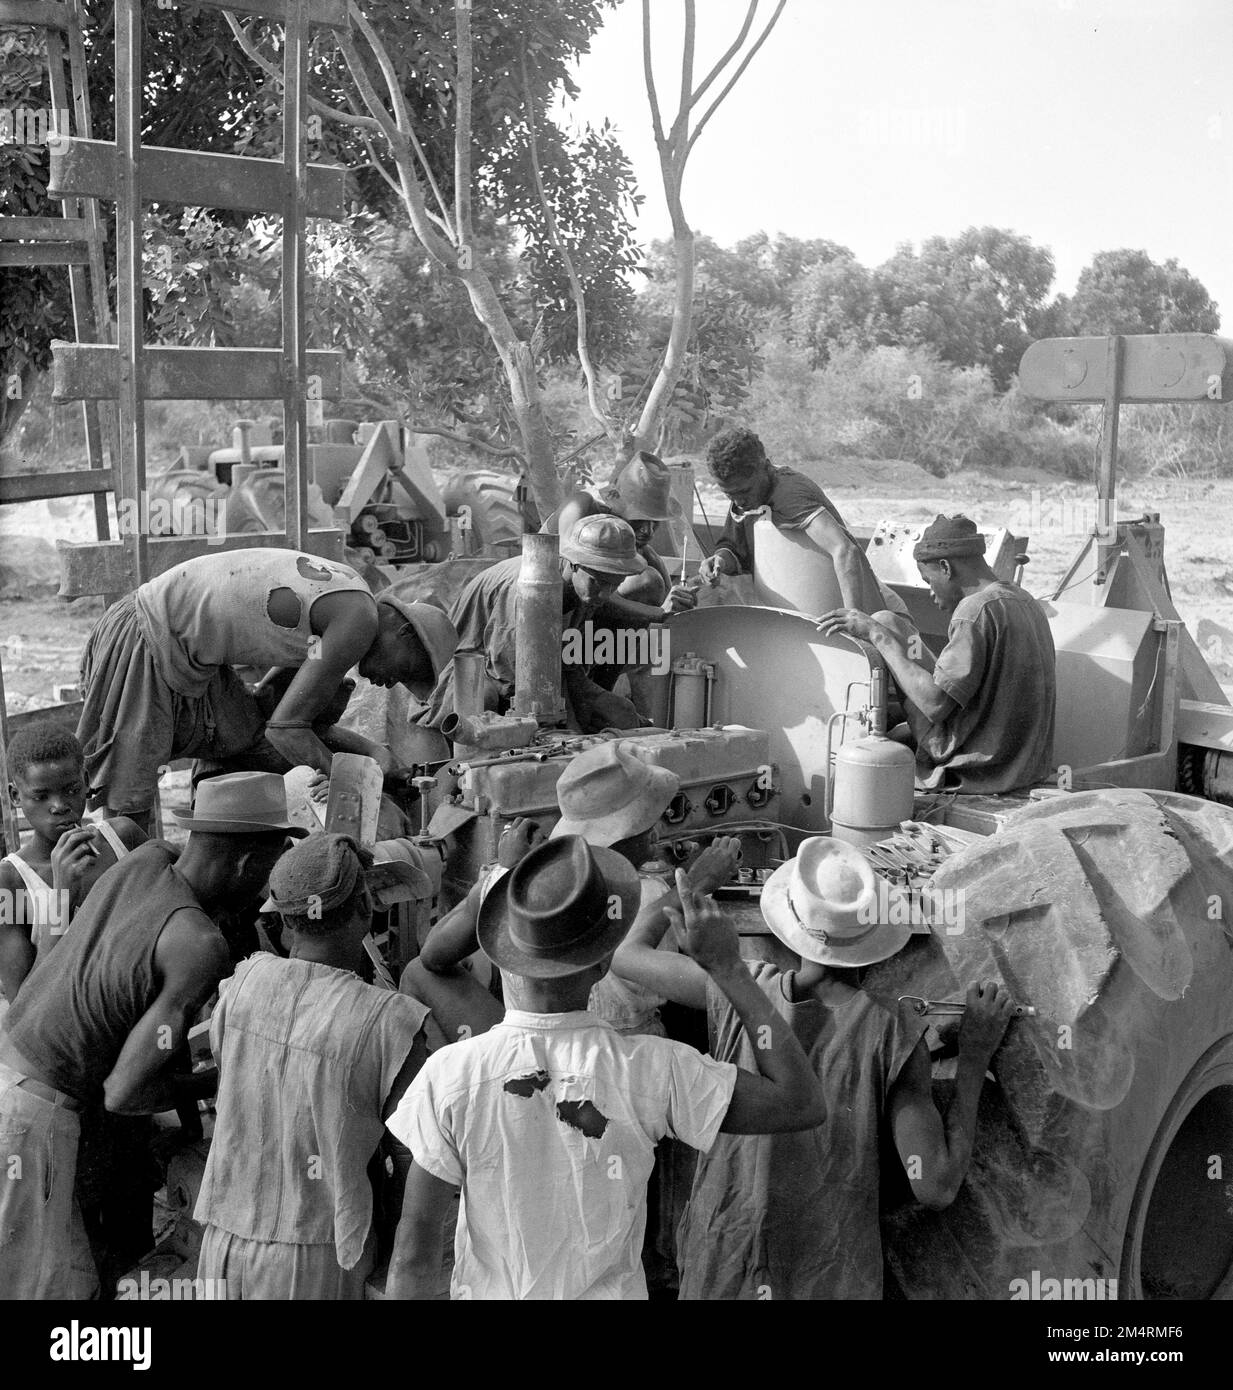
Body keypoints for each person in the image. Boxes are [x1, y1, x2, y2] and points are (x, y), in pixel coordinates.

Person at [384, 835, 824, 1300]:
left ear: (506, 958)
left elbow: (412, 1260)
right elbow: (800, 1102)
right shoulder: (651, 1069)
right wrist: (728, 968)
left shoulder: (449, 1074)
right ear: (601, 965)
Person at [613, 833, 1016, 1299]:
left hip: (725, 1264)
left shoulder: (740, 987)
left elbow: (624, 954)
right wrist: (974, 1059)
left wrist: (697, 883)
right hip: (827, 1277)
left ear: (793, 924)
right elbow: (935, 1185)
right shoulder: (894, 1033)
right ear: (875, 933)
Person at [0, 771, 300, 1298]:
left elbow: (148, 1020)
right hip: (32, 1118)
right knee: (37, 1287)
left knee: (62, 1276)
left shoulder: (147, 857)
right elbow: (124, 1091)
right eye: (270, 871)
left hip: (10, 1075)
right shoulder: (198, 943)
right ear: (251, 864)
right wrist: (215, 1086)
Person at [194, 834, 445, 1299]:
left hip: (224, 1241)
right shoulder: (392, 1021)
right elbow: (410, 1160)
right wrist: (393, 1259)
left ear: (287, 924)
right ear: (367, 907)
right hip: (318, 1257)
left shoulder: (240, 984)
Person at [76, 547, 458, 833]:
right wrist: (347, 778)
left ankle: (223, 836)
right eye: (407, 670)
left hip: (189, 650)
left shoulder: (345, 603)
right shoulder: (358, 621)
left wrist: (374, 752)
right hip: (148, 633)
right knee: (128, 801)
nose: (392, 684)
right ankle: (134, 903)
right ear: (404, 631)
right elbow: (286, 729)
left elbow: (283, 719)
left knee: (244, 734)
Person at [818, 513, 1056, 793]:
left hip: (978, 767)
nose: (930, 592)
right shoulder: (1025, 600)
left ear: (945, 567)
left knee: (882, 624)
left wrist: (876, 635)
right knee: (888, 618)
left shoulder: (974, 611)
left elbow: (934, 705)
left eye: (928, 580)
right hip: (1022, 764)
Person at [415, 513, 648, 735]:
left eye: (614, 585)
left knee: (621, 712)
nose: (605, 594)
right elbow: (511, 680)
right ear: (573, 564)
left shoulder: (585, 586)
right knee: (484, 704)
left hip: (540, 672)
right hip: (474, 672)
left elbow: (564, 664)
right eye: (598, 582)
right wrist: (565, 733)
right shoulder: (527, 591)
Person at [1, 724, 145, 1007]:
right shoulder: (10, 881)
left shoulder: (122, 838)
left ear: (86, 780)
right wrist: (61, 900)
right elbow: (23, 1003)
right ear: (16, 796)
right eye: (41, 796)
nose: (59, 806)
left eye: (71, 790)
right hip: (70, 1035)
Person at [698, 426, 907, 617]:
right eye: (729, 495)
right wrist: (720, 561)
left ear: (765, 467)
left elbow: (845, 550)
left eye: (743, 491)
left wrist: (855, 617)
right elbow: (735, 549)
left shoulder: (791, 494)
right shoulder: (746, 499)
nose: (738, 501)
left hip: (875, 610)